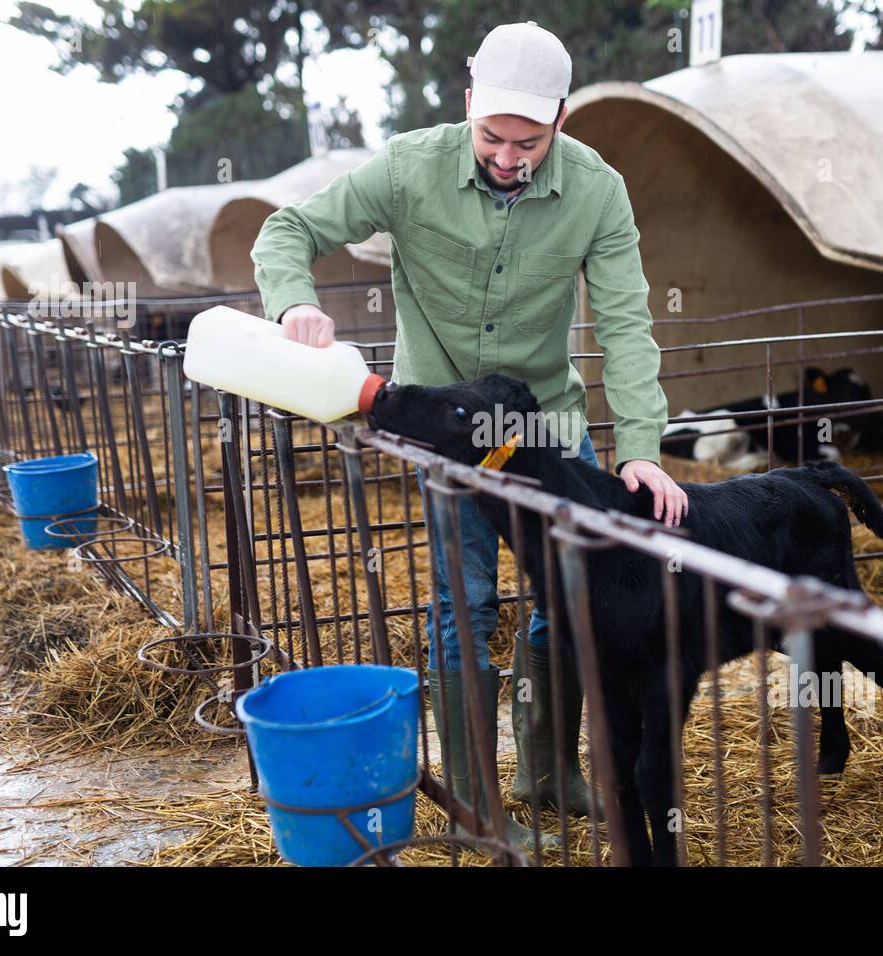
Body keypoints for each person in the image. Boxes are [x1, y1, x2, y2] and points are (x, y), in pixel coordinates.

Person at [251, 21, 687, 848]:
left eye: (530, 140)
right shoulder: (409, 168)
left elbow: (628, 324)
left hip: (549, 429)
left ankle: (549, 768)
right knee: (464, 604)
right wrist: (294, 301)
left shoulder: (598, 190)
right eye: (493, 135)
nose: (509, 156)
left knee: (571, 600)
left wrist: (639, 447)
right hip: (449, 432)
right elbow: (287, 230)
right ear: (469, 106)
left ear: (561, 118)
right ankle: (482, 808)